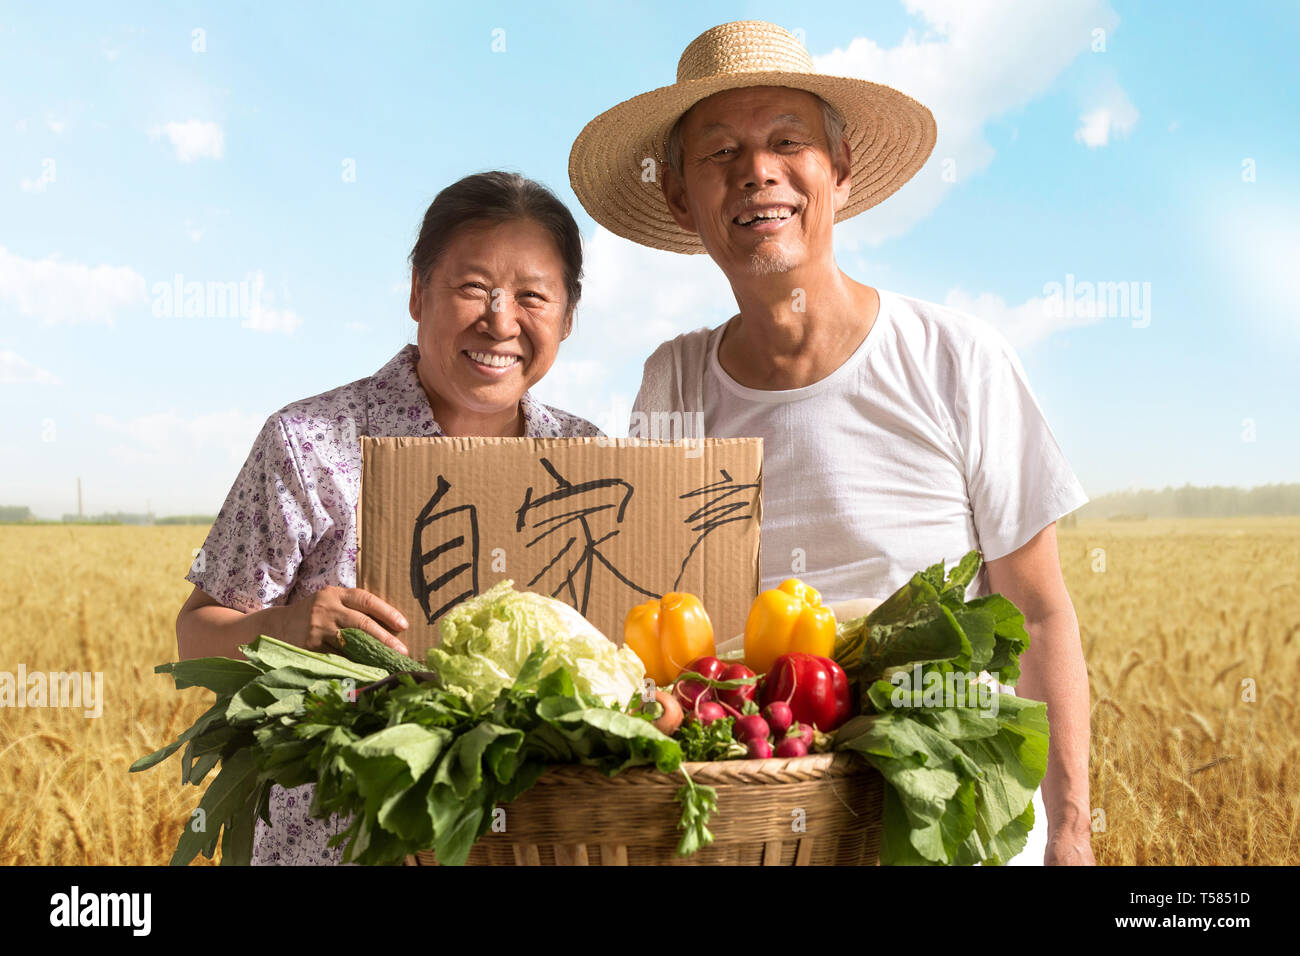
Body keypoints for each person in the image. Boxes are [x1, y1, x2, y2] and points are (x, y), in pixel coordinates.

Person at [569, 20, 1094, 866]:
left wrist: (1070, 835)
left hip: (955, 819)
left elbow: (1037, 610)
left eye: (788, 143)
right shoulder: (672, 383)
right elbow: (659, 624)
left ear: (839, 173)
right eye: (720, 153)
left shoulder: (957, 359)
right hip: (764, 826)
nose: (757, 172)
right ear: (678, 198)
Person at [175, 170, 601, 865]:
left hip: (523, 843)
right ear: (417, 292)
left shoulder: (585, 457)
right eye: (473, 288)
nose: (500, 320)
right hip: (333, 843)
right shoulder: (309, 442)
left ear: (567, 318)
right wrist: (286, 627)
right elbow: (196, 637)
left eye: (533, 297)